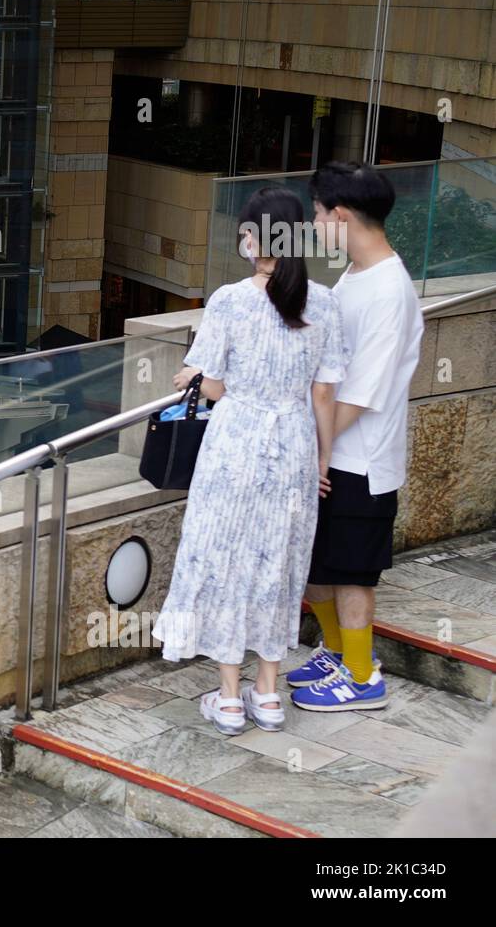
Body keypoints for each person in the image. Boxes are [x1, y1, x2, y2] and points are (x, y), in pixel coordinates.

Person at [153, 186, 344, 735]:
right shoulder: (324, 302)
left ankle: (231, 698)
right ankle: (268, 694)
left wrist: (191, 377)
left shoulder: (230, 300)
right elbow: (323, 395)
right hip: (294, 449)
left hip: (236, 446)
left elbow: (213, 388)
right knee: (278, 565)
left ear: (255, 238)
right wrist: (322, 466)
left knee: (227, 561)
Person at [287, 163, 423, 713]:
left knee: (351, 571)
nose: (316, 226)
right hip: (331, 451)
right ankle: (339, 654)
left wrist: (316, 453)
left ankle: (363, 676)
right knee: (319, 566)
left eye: (318, 215)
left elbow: (361, 391)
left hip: (359, 460)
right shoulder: (355, 275)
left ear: (340, 215)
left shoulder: (390, 289)